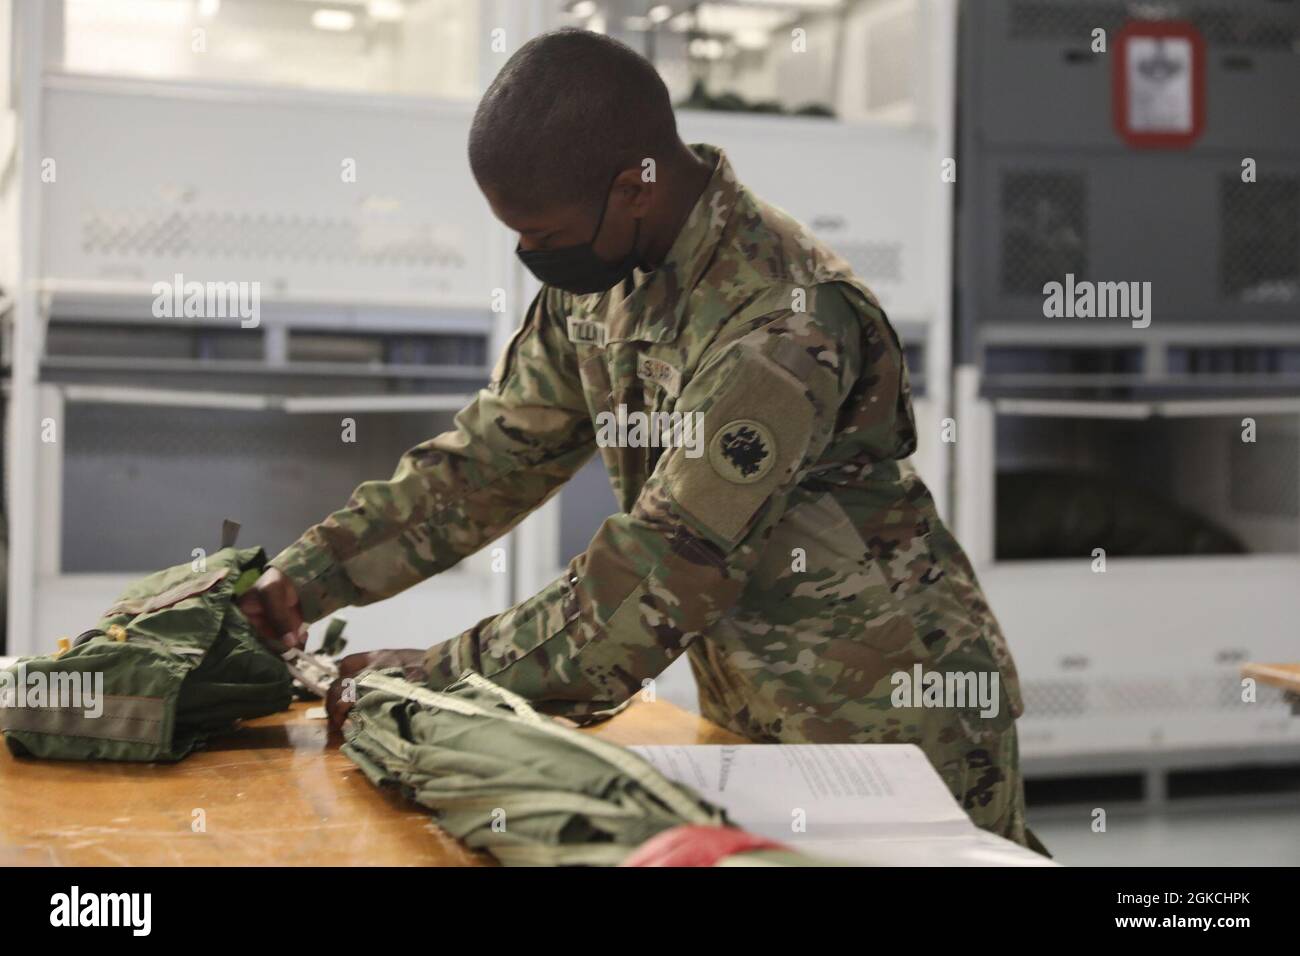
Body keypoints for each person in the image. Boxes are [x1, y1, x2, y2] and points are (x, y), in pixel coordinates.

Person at [240, 28, 1033, 847]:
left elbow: (658, 578)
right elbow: (492, 459)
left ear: (633, 188)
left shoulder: (780, 322)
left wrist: (434, 678)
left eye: (543, 236)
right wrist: (308, 578)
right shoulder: (604, 279)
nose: (529, 256)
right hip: (752, 698)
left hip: (887, 711)